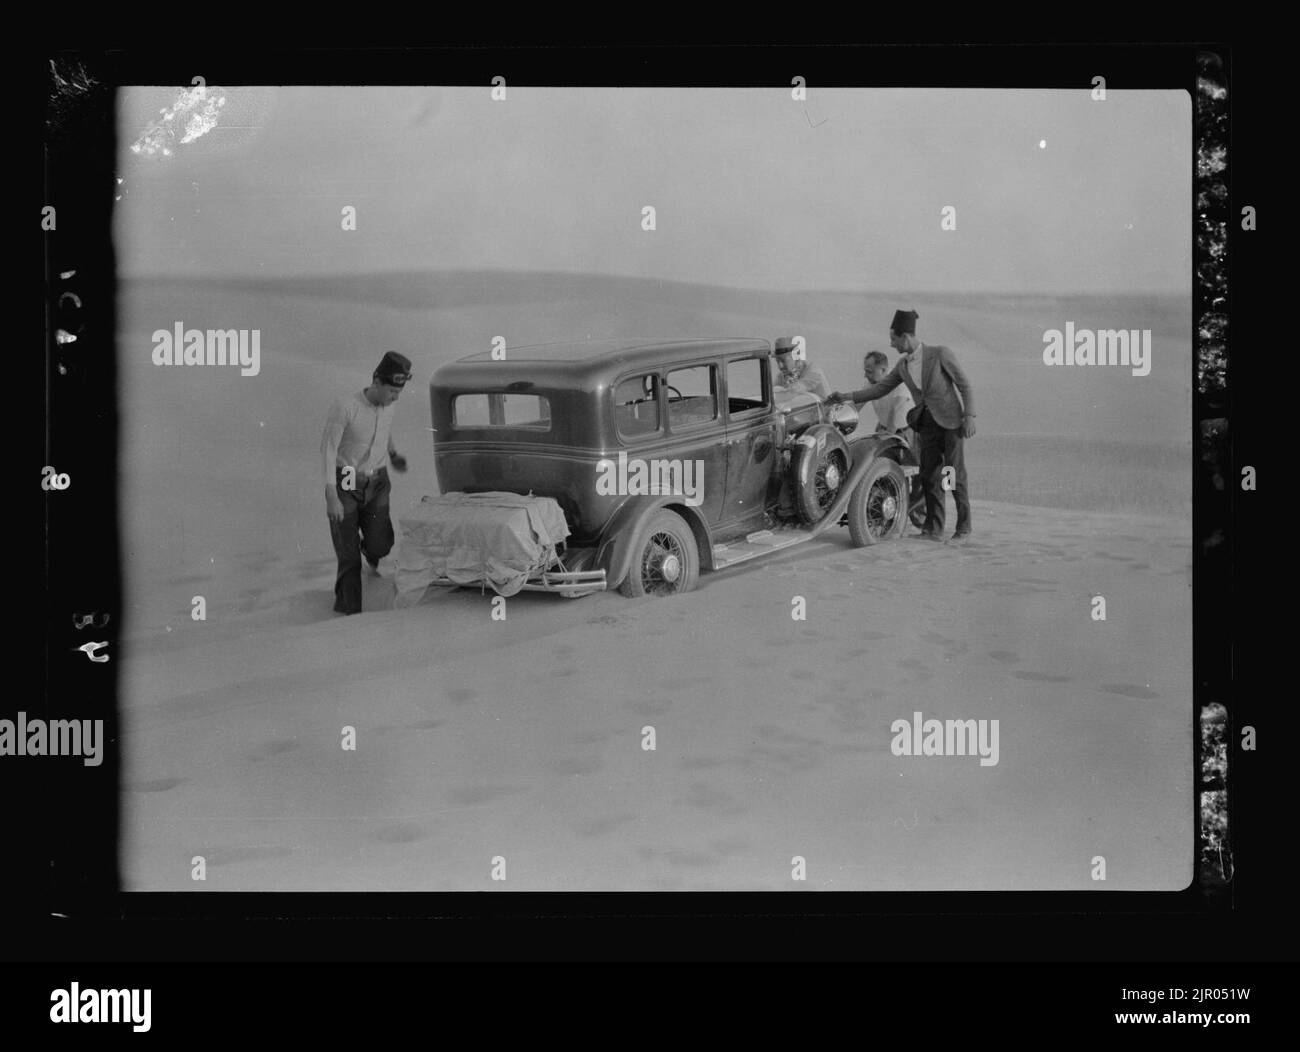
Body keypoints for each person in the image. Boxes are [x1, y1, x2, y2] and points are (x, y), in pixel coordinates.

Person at [830, 310, 976, 543]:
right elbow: (878, 389)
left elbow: (964, 385)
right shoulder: (902, 366)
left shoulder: (940, 354)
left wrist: (969, 416)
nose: (891, 343)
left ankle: (964, 528)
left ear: (906, 337)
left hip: (951, 424)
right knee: (929, 476)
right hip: (926, 425)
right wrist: (845, 396)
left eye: (894, 339)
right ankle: (934, 529)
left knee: (955, 475)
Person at [320, 351, 412, 614]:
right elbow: (328, 449)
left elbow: (385, 429)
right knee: (348, 557)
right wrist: (331, 495)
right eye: (392, 391)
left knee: (381, 544)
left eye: (399, 391)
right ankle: (349, 618)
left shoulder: (389, 405)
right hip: (346, 479)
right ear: (377, 382)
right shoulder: (346, 406)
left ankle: (369, 552)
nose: (396, 397)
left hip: (378, 480)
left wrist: (393, 455)